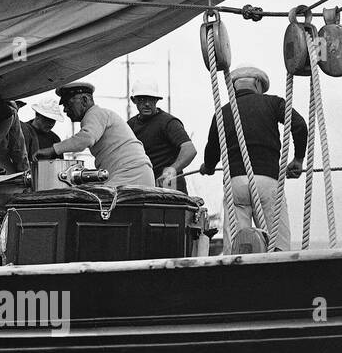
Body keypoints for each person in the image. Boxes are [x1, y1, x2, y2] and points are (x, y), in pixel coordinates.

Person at [198, 65, 307, 252]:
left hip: (236, 182)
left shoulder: (222, 112)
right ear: (257, 83)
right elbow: (299, 125)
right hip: (267, 180)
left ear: (234, 87)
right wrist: (297, 159)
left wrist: (207, 167)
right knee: (277, 246)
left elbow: (212, 150)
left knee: (237, 247)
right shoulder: (273, 103)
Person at [37, 82, 156, 188]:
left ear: (84, 100)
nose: (65, 110)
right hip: (133, 174)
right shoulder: (98, 116)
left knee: (95, 204)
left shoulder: (95, 114)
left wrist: (53, 150)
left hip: (131, 175)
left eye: (68, 104)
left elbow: (86, 138)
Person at [127, 83, 196, 191]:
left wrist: (171, 171)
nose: (147, 104)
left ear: (156, 100)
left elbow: (189, 149)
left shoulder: (168, 123)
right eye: (142, 99)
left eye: (151, 99)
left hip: (170, 187)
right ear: (134, 100)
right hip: (144, 188)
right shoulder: (130, 126)